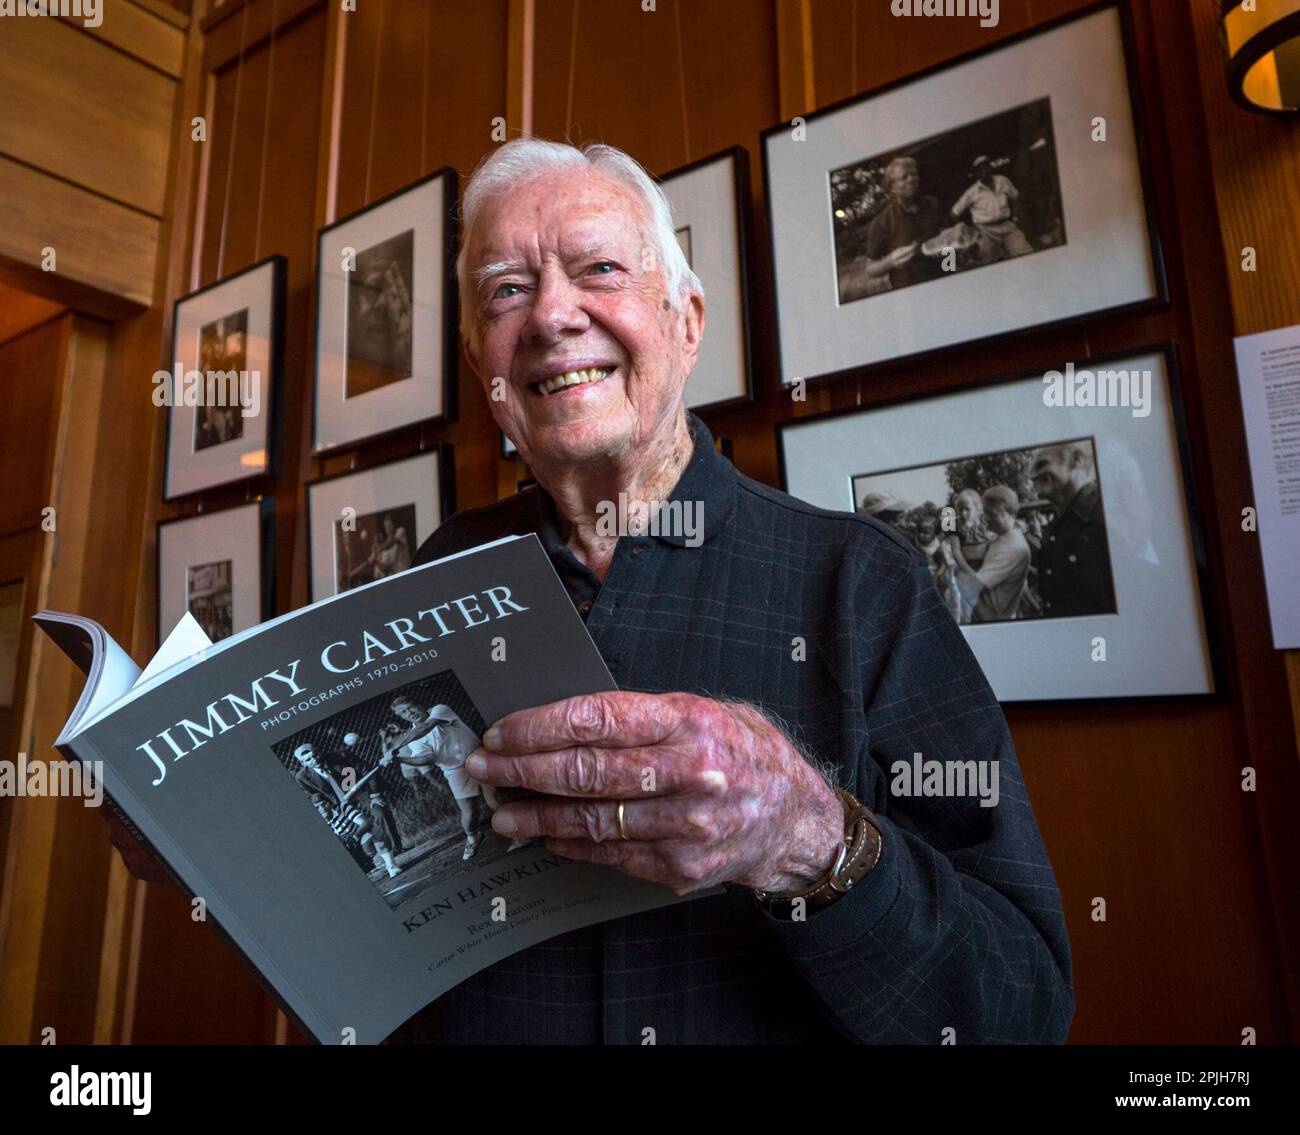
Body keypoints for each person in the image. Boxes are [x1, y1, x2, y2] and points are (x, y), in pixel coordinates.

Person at [109, 138, 1073, 1045]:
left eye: (599, 270)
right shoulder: (438, 568)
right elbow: (368, 916)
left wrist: (804, 833)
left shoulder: (860, 581)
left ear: (686, 323)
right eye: (506, 291)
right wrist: (224, 853)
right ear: (486, 367)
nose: (550, 316)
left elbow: (1021, 1004)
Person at [1031, 442, 1116, 618]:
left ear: (1076, 460)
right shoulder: (1055, 526)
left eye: (1041, 465)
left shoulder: (1110, 513)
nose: (1033, 476)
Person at [291, 742, 402, 879]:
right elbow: (314, 795)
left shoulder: (340, 755)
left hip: (361, 791)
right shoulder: (301, 777)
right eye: (308, 759)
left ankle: (395, 850)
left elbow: (367, 771)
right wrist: (325, 809)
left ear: (320, 751)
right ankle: (372, 860)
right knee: (356, 832)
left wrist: (375, 795)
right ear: (303, 763)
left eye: (316, 755)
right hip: (338, 803)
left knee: (380, 812)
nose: (315, 760)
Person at [863, 157, 946, 290]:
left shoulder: (932, 203)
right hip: (910, 288)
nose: (911, 179)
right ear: (892, 187)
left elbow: (945, 236)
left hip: (944, 277)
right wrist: (890, 261)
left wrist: (953, 267)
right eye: (904, 177)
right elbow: (870, 269)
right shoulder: (881, 222)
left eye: (913, 174)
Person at [953, 486, 1032, 623]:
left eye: (992, 514)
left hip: (991, 616)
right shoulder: (999, 536)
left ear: (1010, 513)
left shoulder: (1011, 548)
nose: (987, 519)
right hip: (981, 601)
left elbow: (971, 589)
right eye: (986, 513)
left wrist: (963, 578)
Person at [950, 156, 1033, 264]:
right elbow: (953, 213)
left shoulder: (1002, 180)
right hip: (985, 231)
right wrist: (970, 231)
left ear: (990, 167)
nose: (984, 171)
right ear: (976, 174)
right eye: (979, 170)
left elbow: (1016, 197)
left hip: (1006, 225)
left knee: (1026, 254)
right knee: (989, 262)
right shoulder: (972, 192)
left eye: (986, 167)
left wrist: (1016, 213)